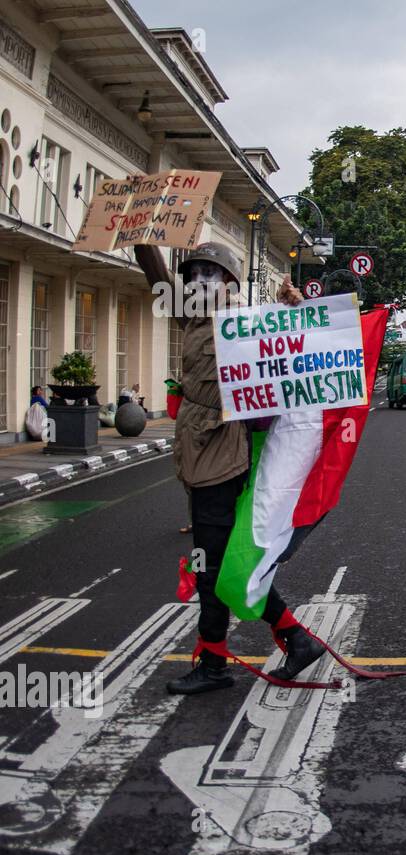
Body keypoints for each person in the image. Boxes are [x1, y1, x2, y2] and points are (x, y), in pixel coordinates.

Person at [133, 242, 327, 694]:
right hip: (198, 453)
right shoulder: (192, 318)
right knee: (215, 565)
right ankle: (293, 640)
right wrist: (144, 236)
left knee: (211, 569)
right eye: (194, 271)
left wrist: (293, 307)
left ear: (229, 286)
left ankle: (219, 662)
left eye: (211, 273)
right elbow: (157, 279)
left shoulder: (240, 325)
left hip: (221, 457)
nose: (200, 279)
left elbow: (288, 341)